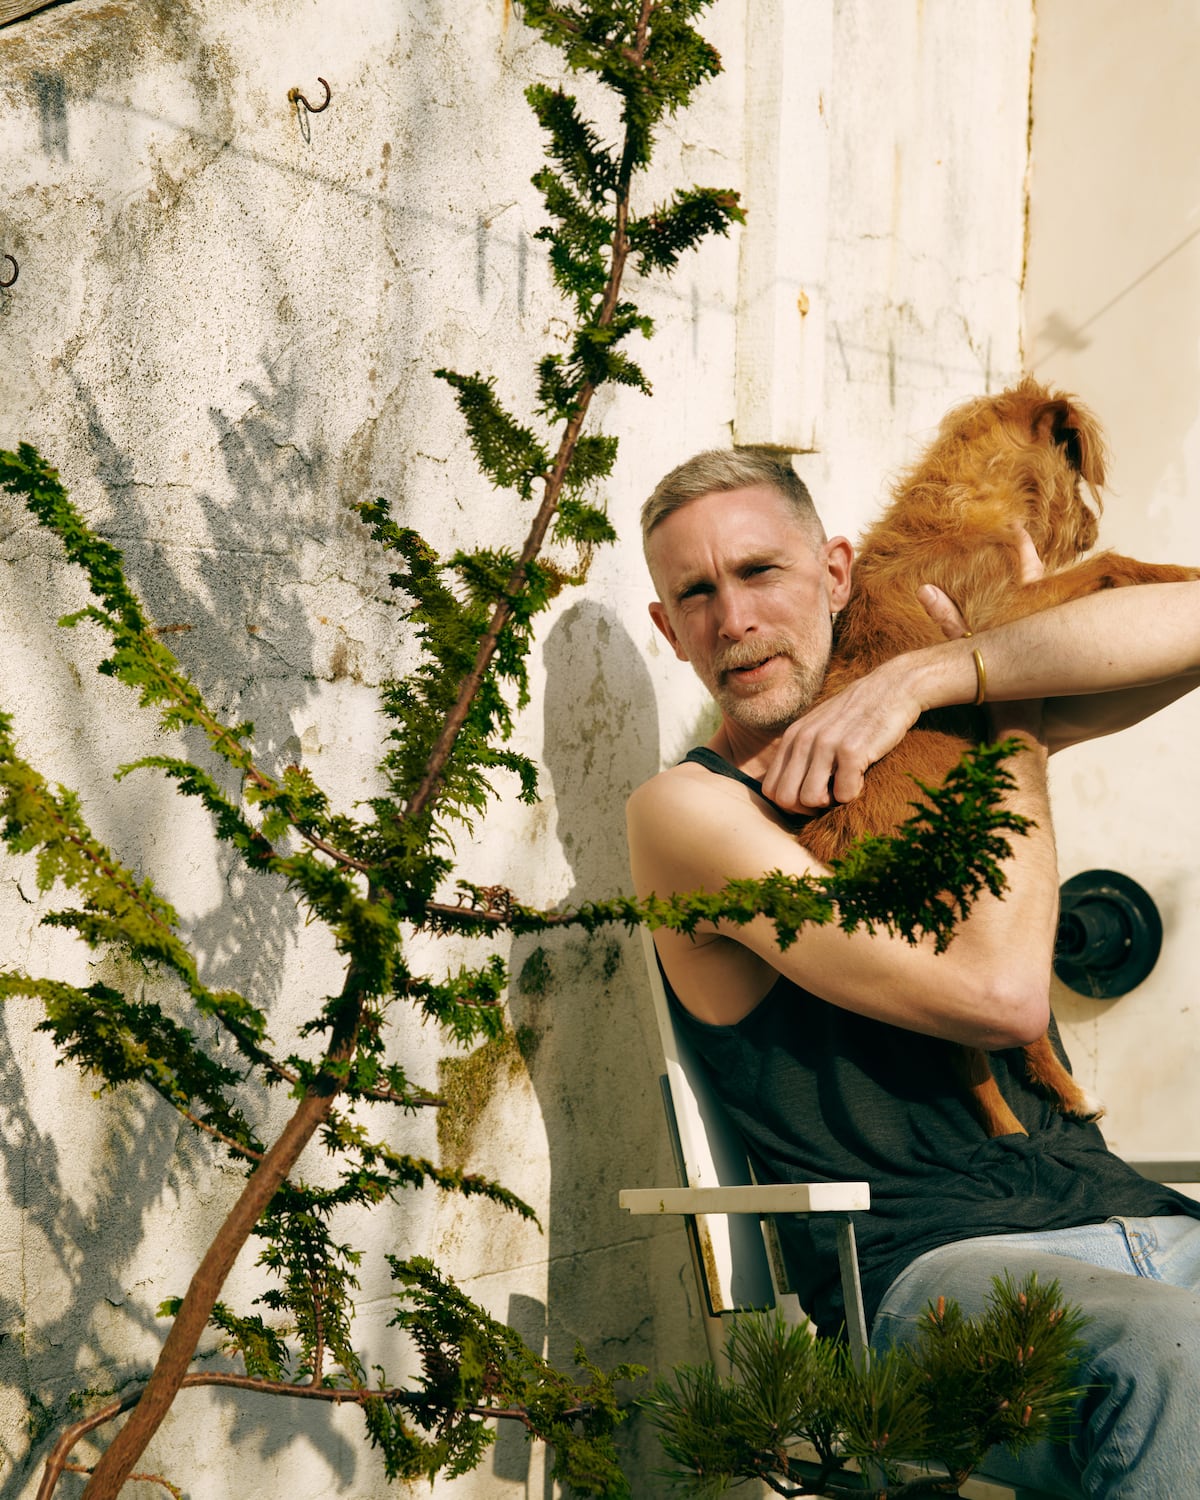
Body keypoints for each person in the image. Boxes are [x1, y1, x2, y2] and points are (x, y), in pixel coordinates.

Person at [625, 446, 1200, 1498]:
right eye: (696, 592)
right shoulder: (689, 817)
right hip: (927, 1271)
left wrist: (942, 672)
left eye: (761, 571)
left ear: (836, 573)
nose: (735, 618)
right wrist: (1012, 719)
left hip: (1125, 1210)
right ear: (669, 630)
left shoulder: (915, 724)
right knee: (1178, 1364)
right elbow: (1000, 997)